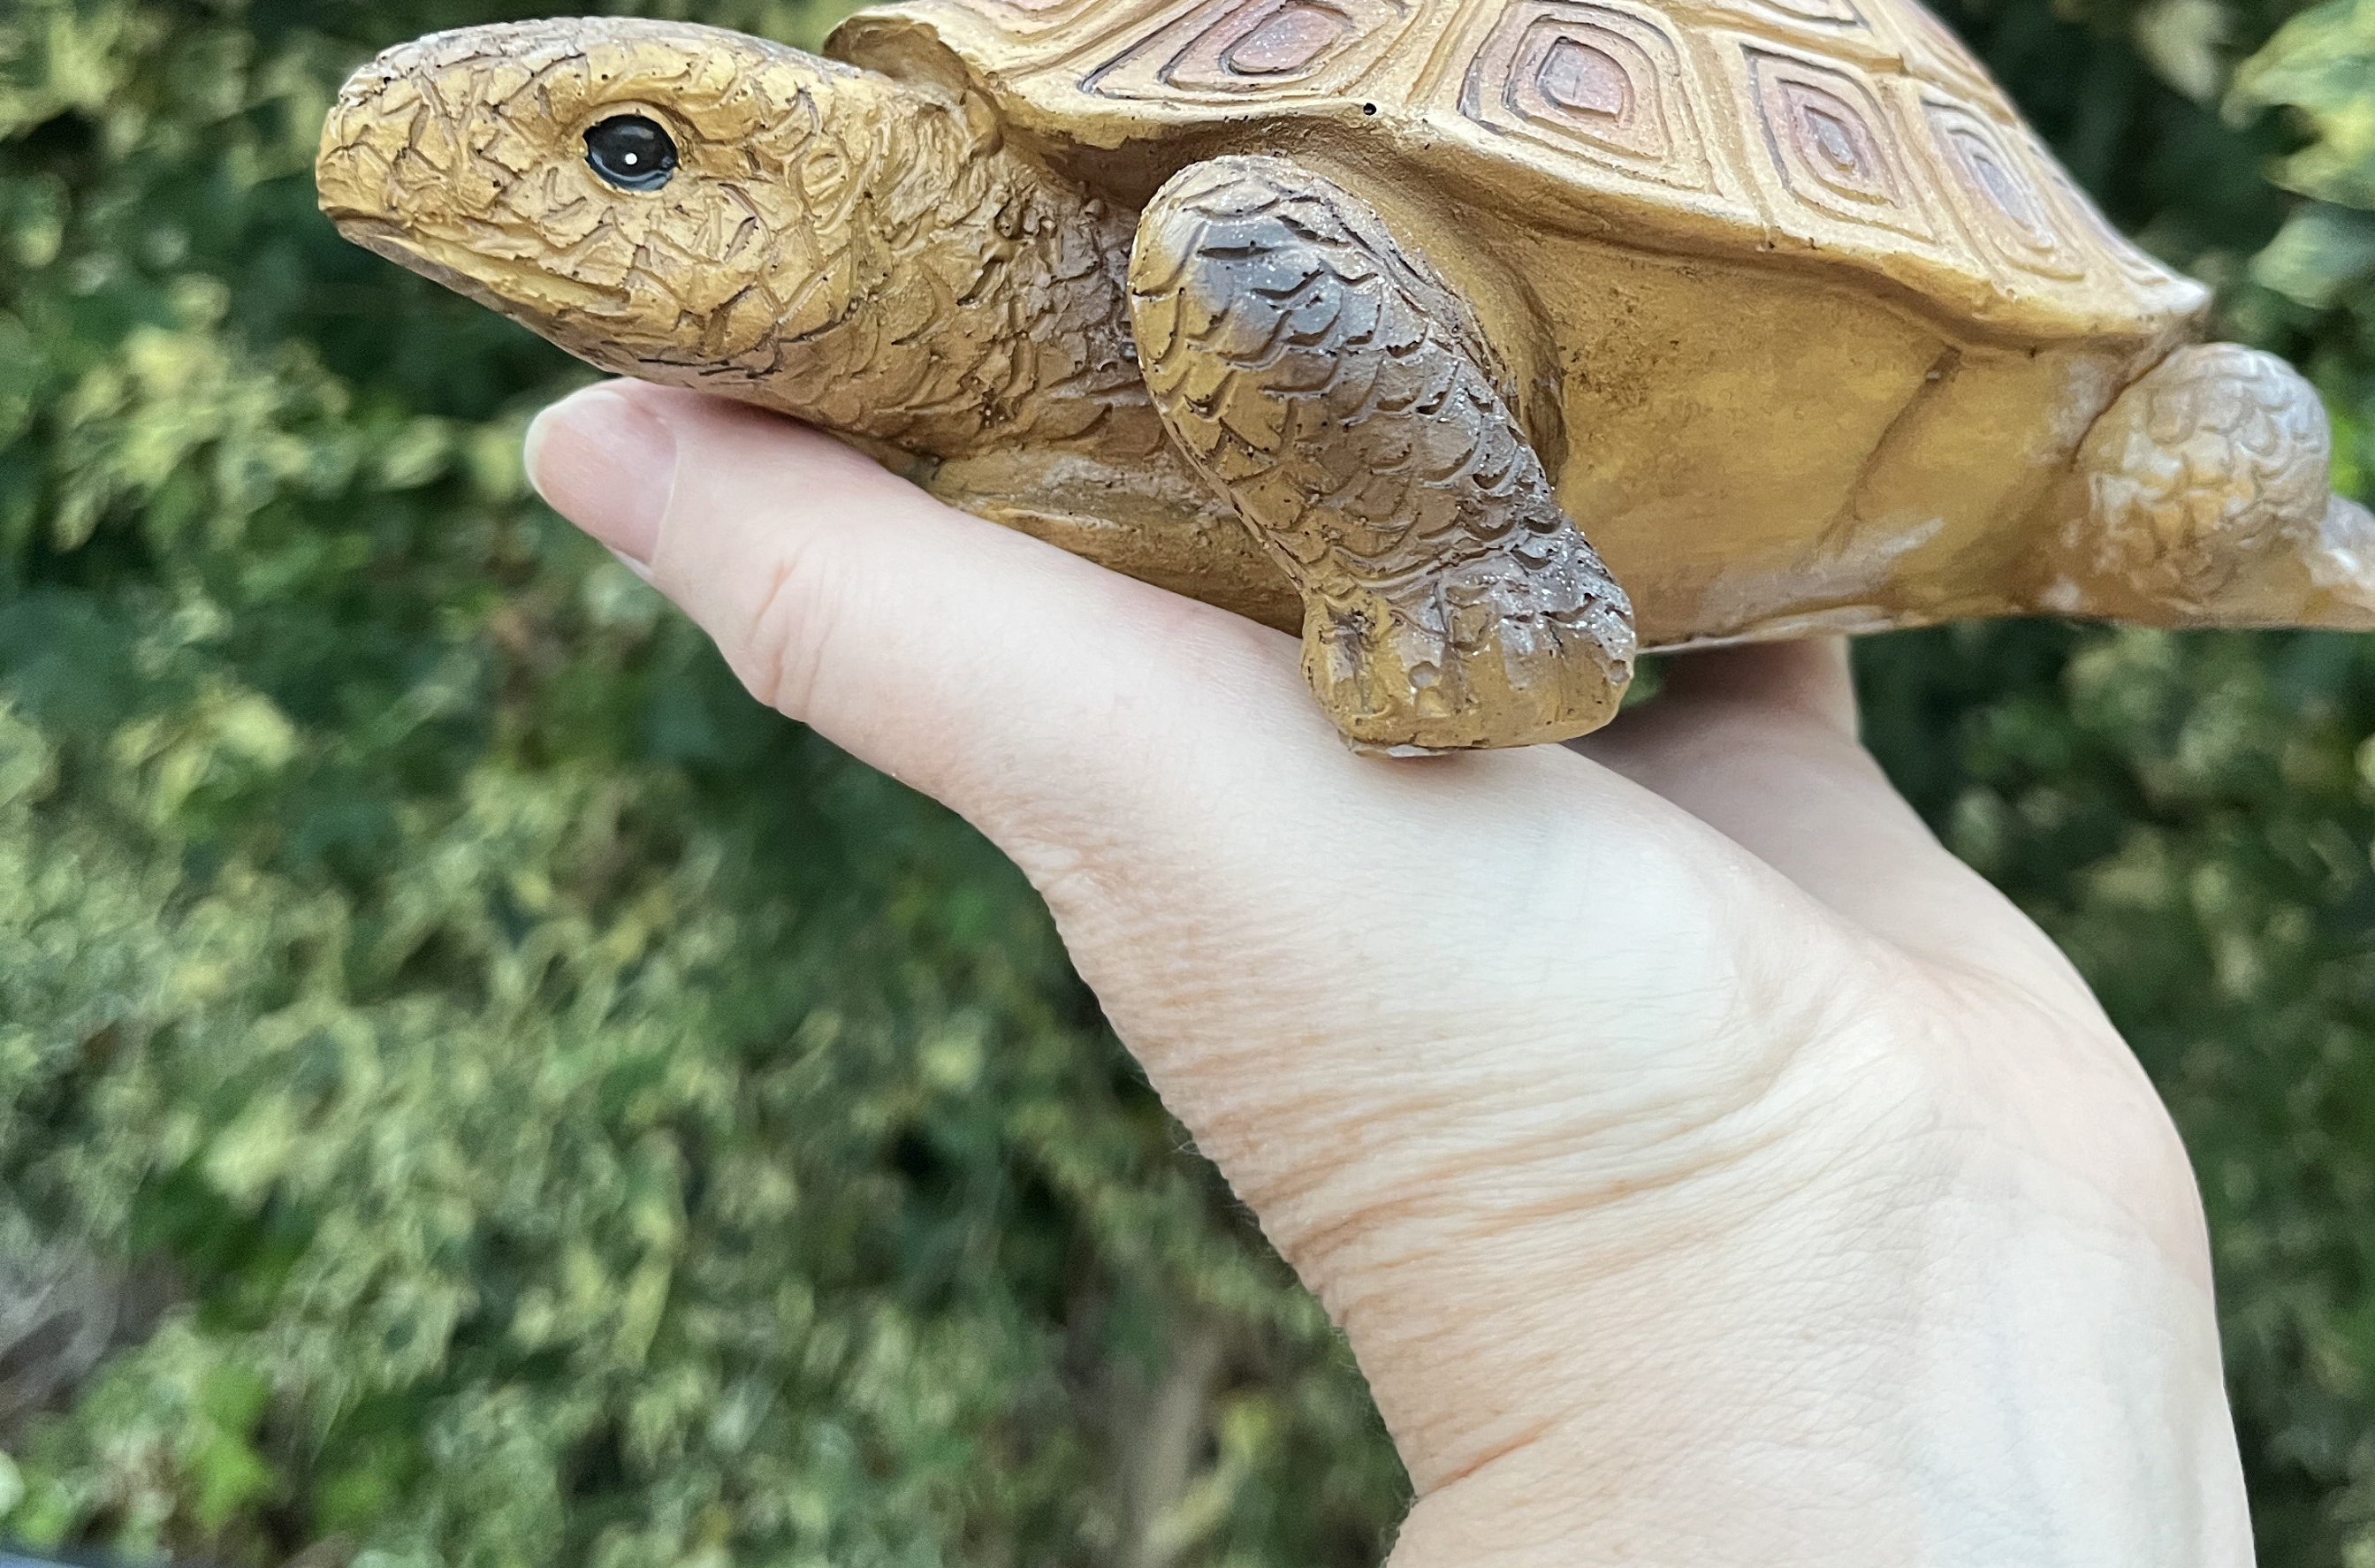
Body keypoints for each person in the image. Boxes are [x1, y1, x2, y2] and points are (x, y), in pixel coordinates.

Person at [522, 377, 2255, 1565]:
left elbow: (1268, 235)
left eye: (630, 152)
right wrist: (1994, 1310)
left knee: (1239, 251)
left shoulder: (1223, 248)